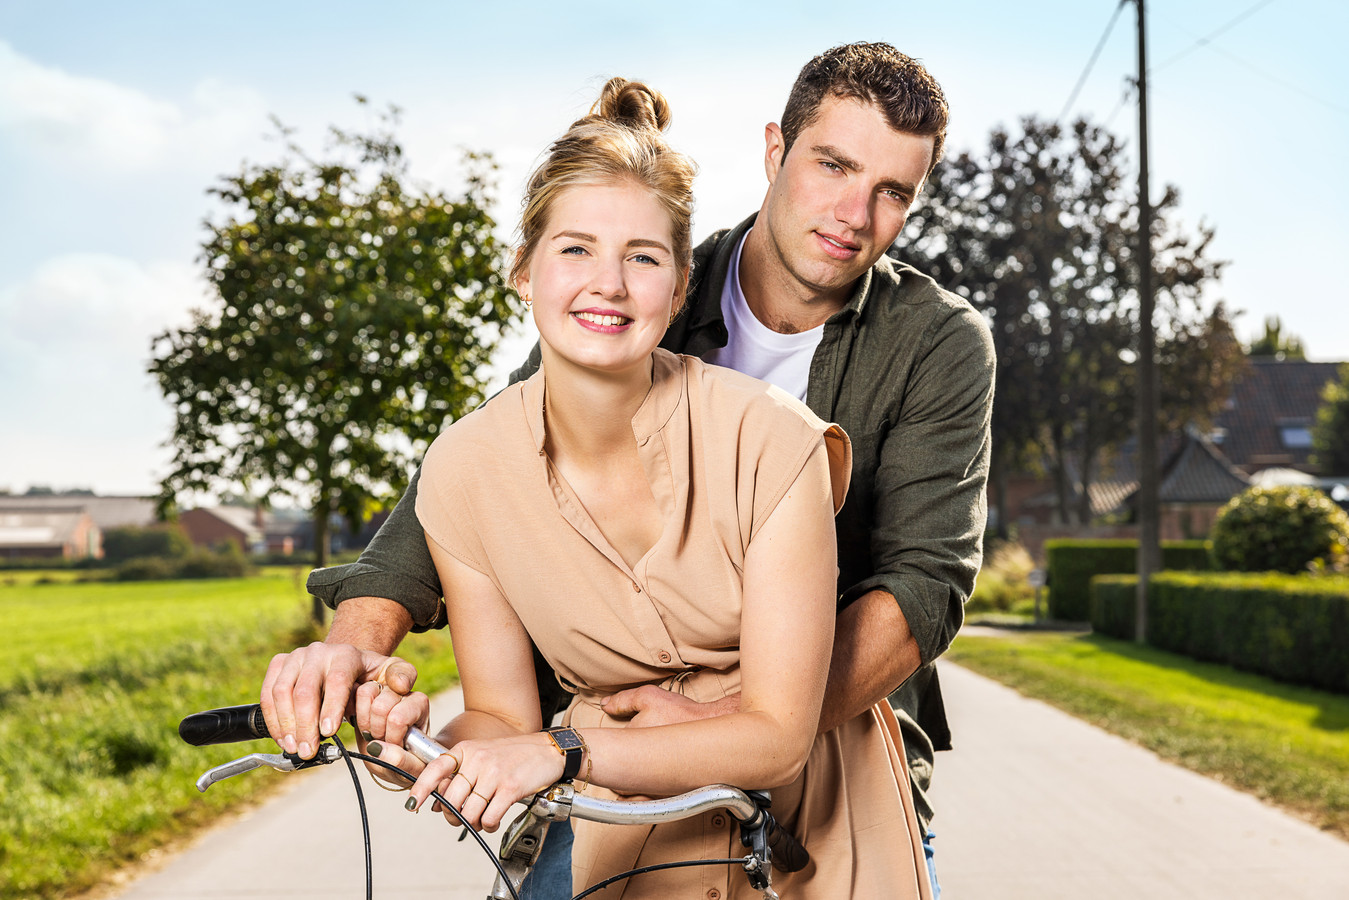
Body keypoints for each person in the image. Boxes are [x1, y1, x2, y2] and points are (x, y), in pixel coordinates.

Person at [263, 42, 994, 898]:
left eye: (892, 191)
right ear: (774, 149)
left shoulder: (930, 345)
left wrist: (720, 722)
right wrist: (351, 663)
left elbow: (921, 586)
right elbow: (473, 493)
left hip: (824, 765)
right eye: (831, 165)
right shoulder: (634, 286)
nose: (852, 213)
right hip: (609, 777)